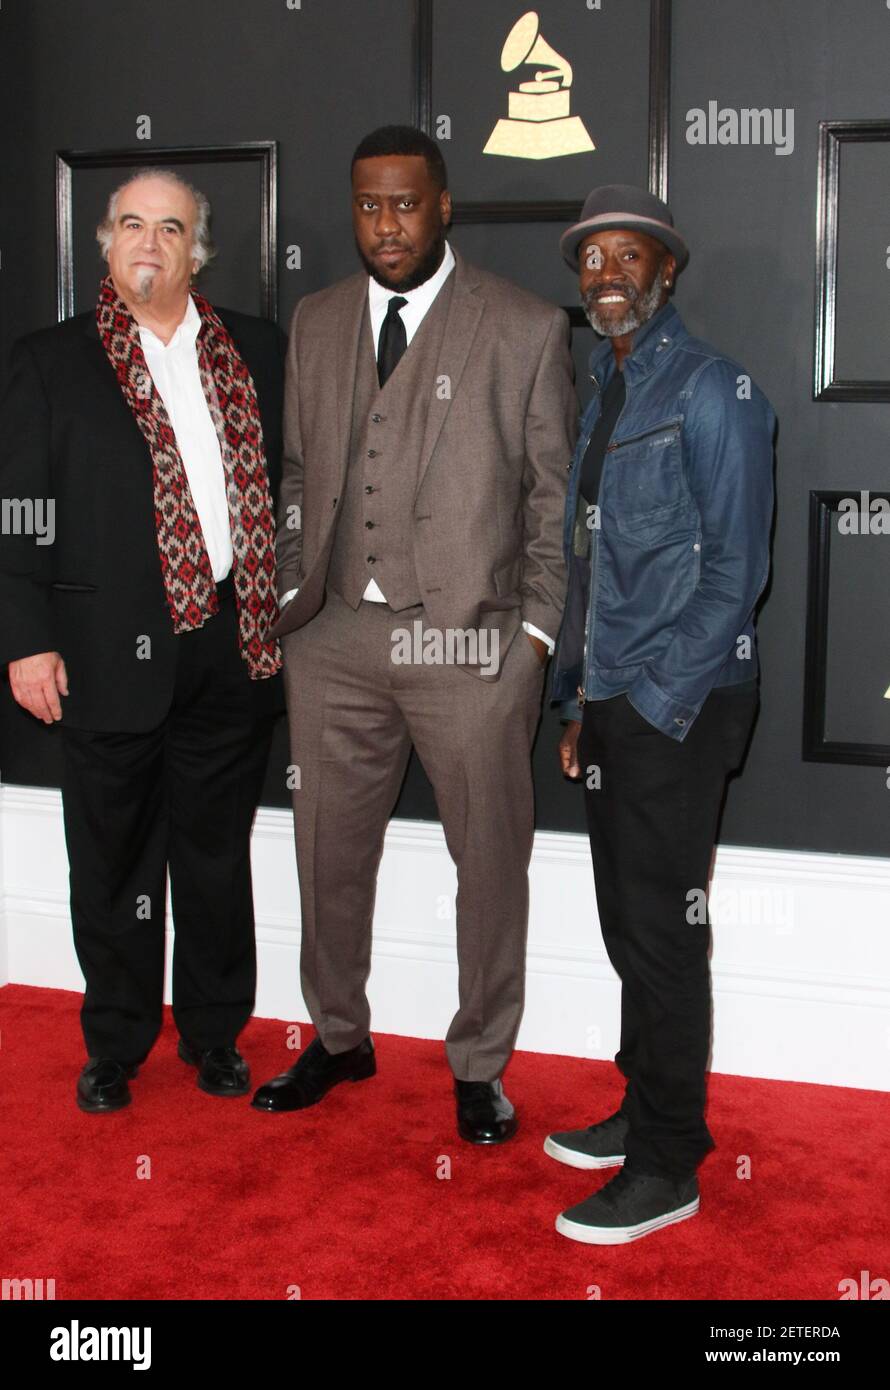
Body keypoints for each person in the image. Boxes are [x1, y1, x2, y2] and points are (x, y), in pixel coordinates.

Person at [251, 125, 577, 1144]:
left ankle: (478, 1063)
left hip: (469, 649)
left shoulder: (522, 328)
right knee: (326, 855)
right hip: (334, 637)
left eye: (403, 203)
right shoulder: (314, 319)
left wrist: (527, 641)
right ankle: (339, 1035)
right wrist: (293, 595)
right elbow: (300, 474)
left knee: (487, 864)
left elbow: (551, 503)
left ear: (443, 206)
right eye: (365, 204)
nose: (382, 223)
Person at [0, 170, 285, 1112]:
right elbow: (20, 513)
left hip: (229, 646)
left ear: (196, 248)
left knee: (213, 856)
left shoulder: (257, 349)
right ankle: (115, 1044)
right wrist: (26, 640)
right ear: (105, 242)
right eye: (132, 224)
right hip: (99, 648)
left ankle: (213, 1035)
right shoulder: (50, 360)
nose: (150, 243)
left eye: (171, 227)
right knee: (113, 858)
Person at [547, 185, 775, 1240]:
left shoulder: (715, 389)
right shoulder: (608, 386)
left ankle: (668, 1161)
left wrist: (647, 699)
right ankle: (646, 1105)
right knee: (630, 927)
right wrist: (578, 700)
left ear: (665, 270)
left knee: (662, 933)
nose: (605, 277)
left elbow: (735, 574)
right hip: (613, 697)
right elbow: (590, 563)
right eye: (590, 261)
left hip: (681, 698)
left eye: (625, 258)